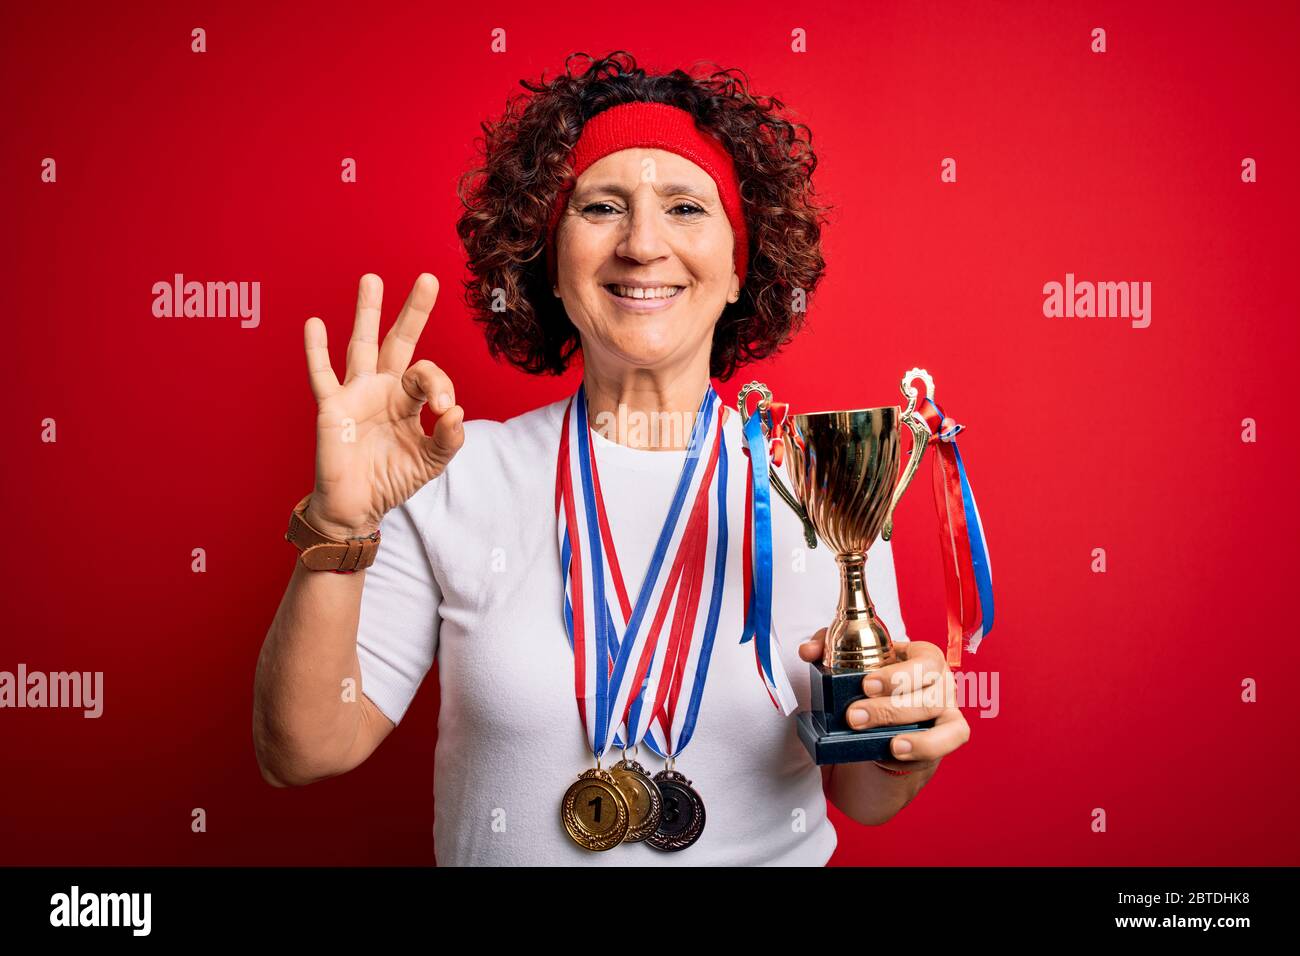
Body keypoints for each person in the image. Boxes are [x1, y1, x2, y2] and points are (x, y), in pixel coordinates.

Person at [253, 51, 969, 866]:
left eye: (685, 208)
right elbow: (301, 752)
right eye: (601, 206)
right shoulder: (451, 474)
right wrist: (337, 529)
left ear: (740, 268)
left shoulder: (821, 481)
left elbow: (867, 801)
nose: (642, 244)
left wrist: (903, 734)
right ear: (549, 263)